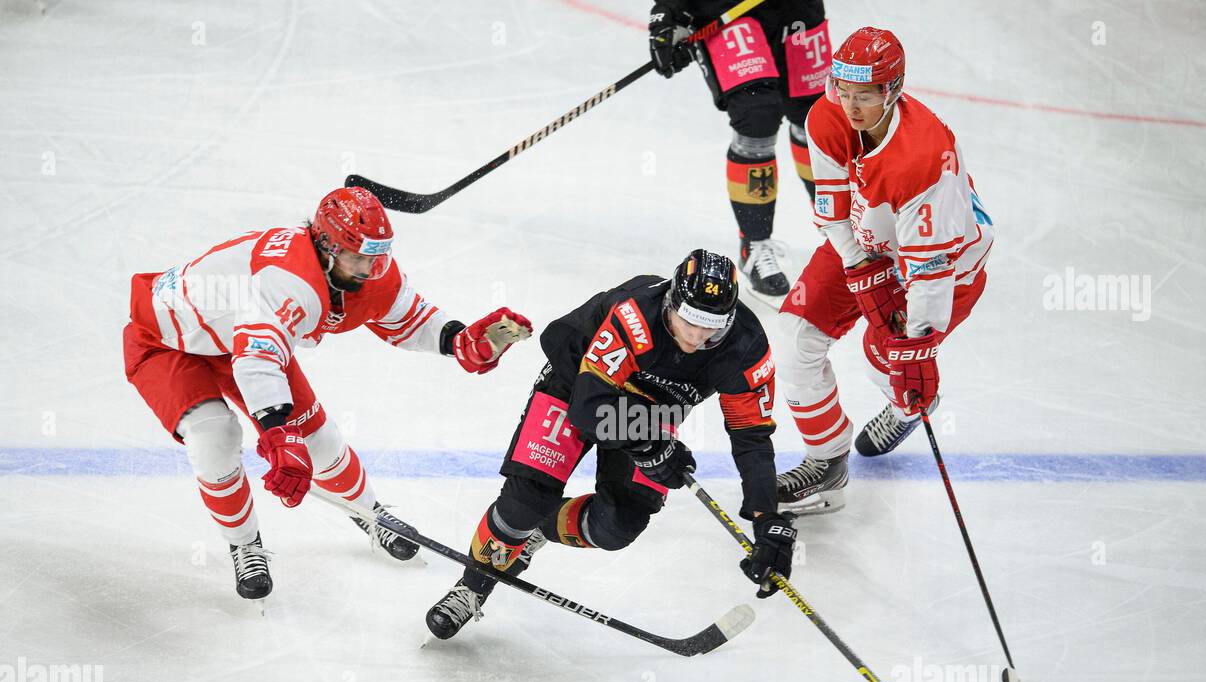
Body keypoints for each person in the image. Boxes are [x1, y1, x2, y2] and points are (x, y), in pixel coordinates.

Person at [122, 187, 533, 599]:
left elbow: (405, 316)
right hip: (165, 342)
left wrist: (456, 339)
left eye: (379, 255)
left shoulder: (360, 268)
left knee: (318, 439)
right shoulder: (286, 278)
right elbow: (257, 362)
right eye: (361, 258)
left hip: (238, 338)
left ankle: (370, 515)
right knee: (215, 437)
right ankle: (245, 544)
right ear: (326, 247)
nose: (373, 268)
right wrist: (278, 434)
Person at [425, 249, 797, 639]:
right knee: (524, 502)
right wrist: (649, 445)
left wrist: (765, 517)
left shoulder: (747, 347)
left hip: (651, 411)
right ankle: (473, 585)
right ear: (672, 301)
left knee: (618, 526)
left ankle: (537, 530)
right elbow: (588, 408)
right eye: (689, 321)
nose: (697, 337)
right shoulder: (636, 315)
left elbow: (752, 438)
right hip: (578, 384)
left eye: (713, 328)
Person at [772, 27, 994, 515]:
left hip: (945, 266)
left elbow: (930, 273)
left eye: (865, 96)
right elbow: (830, 208)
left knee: (887, 358)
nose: (850, 107)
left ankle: (906, 404)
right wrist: (857, 264)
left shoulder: (921, 160)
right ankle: (826, 463)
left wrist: (915, 350)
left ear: (892, 91)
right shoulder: (826, 116)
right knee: (793, 339)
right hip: (866, 239)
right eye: (843, 91)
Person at [649, 1, 833, 298]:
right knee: (757, 118)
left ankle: (840, 227)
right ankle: (755, 245)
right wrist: (670, 9)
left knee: (816, 118)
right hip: (728, 11)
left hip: (798, 10)